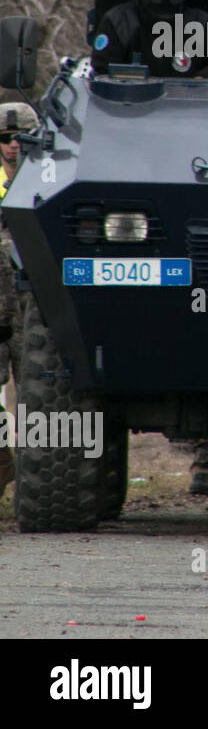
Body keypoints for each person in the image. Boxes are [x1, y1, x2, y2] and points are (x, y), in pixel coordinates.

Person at [0, 103, 38, 496]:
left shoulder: (49, 174)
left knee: (35, 396)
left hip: (33, 311)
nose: (12, 146)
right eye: (4, 139)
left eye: (19, 137)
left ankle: (35, 478)